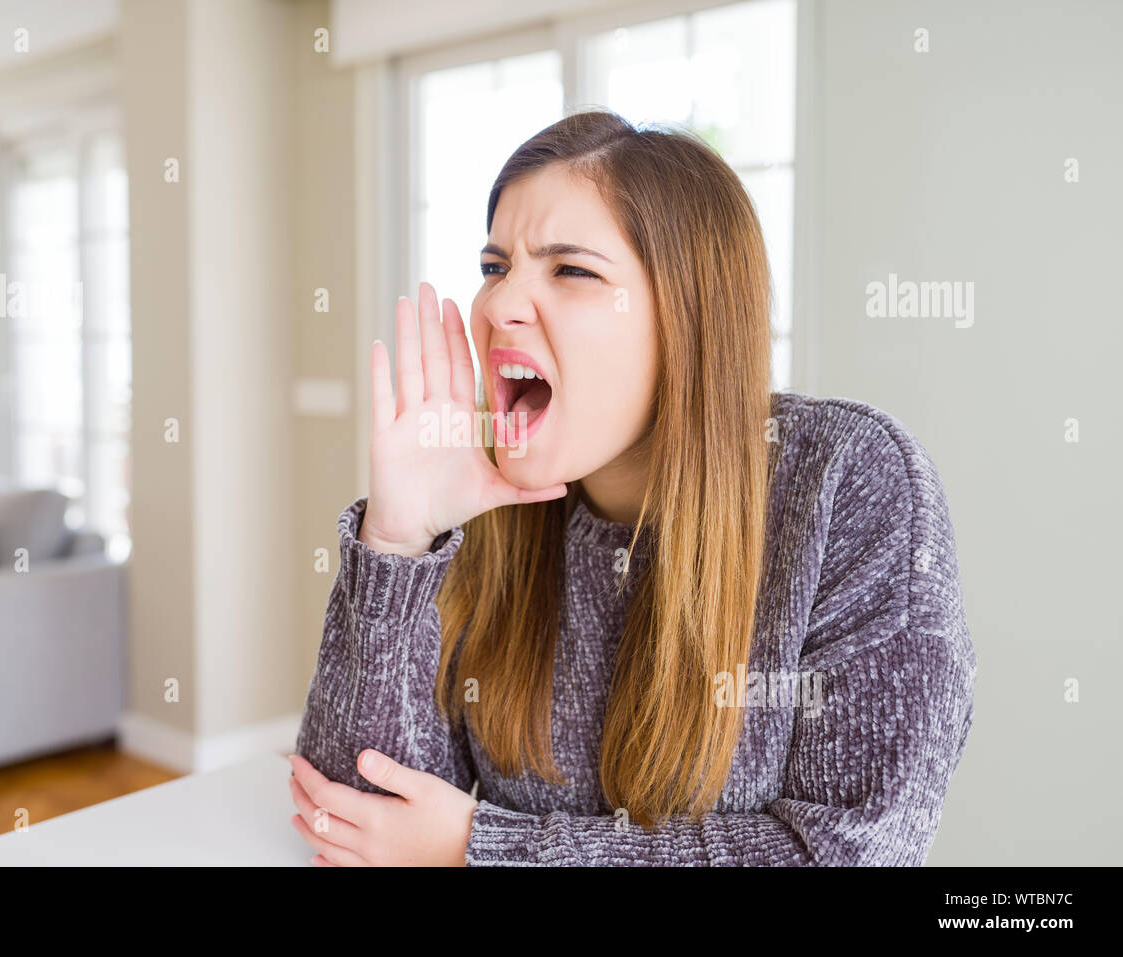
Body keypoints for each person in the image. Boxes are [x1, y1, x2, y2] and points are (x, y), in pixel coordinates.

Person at [288, 108, 976, 866]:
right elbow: (349, 819)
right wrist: (397, 538)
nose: (498, 305)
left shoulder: (851, 481)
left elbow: (848, 852)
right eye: (495, 268)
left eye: (571, 270)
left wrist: (483, 849)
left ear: (689, 316)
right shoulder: (479, 498)